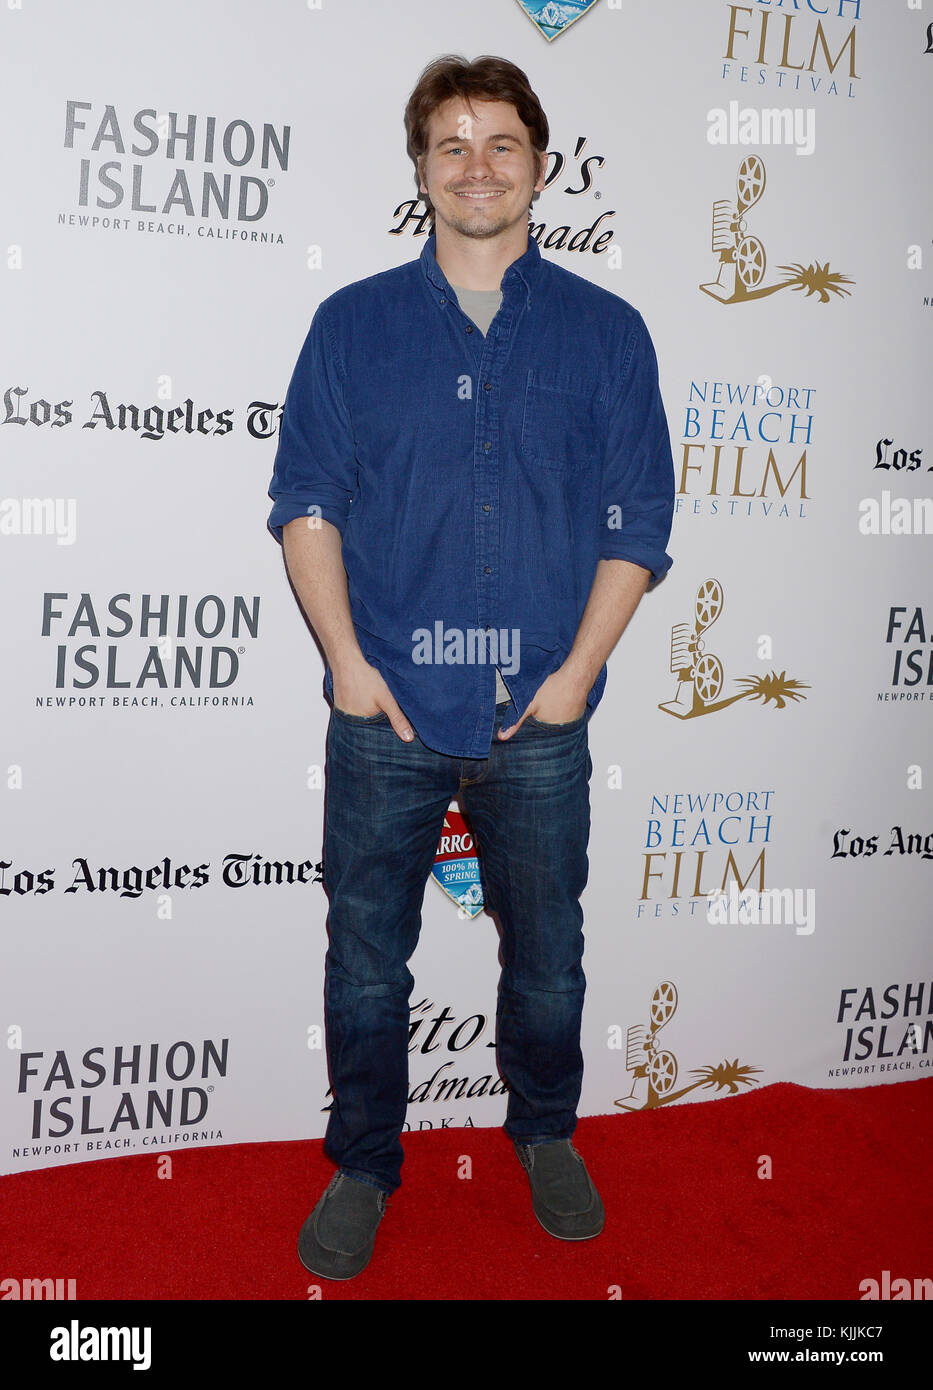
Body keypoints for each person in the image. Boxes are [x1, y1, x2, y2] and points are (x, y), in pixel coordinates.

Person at [267, 53, 675, 1281]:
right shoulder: (353, 325)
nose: (478, 164)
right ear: (421, 171)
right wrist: (345, 663)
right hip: (384, 709)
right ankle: (363, 1158)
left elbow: (637, 524)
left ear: (541, 167)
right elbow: (305, 502)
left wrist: (574, 677)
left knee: (547, 957)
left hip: (542, 721)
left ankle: (546, 1132)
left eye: (503, 142)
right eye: (453, 143)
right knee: (364, 960)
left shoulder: (608, 333)